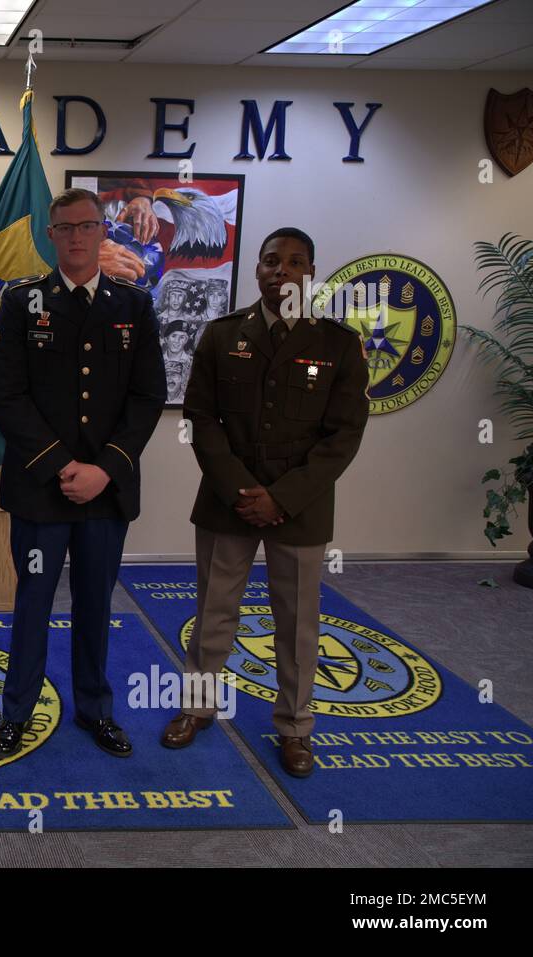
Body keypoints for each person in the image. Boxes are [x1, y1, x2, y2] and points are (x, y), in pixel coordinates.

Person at [161, 227, 369, 779]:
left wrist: (281, 497)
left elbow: (344, 435)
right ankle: (197, 706)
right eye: (272, 261)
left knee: (297, 623)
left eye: (296, 262)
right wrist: (241, 491)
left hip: (300, 507)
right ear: (257, 269)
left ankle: (296, 727)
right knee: (214, 611)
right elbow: (200, 419)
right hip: (228, 501)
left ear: (311, 272)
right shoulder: (222, 334)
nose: (282, 271)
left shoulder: (337, 345)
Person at [0, 188, 166, 758]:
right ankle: (17, 711)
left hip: (105, 495)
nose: (77, 236)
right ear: (51, 236)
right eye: (65, 228)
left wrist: (105, 470)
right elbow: (6, 396)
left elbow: (147, 397)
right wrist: (62, 465)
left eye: (87, 225)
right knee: (33, 602)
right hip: (41, 490)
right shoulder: (22, 302)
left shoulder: (132, 305)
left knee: (95, 604)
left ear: (102, 230)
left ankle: (95, 709)